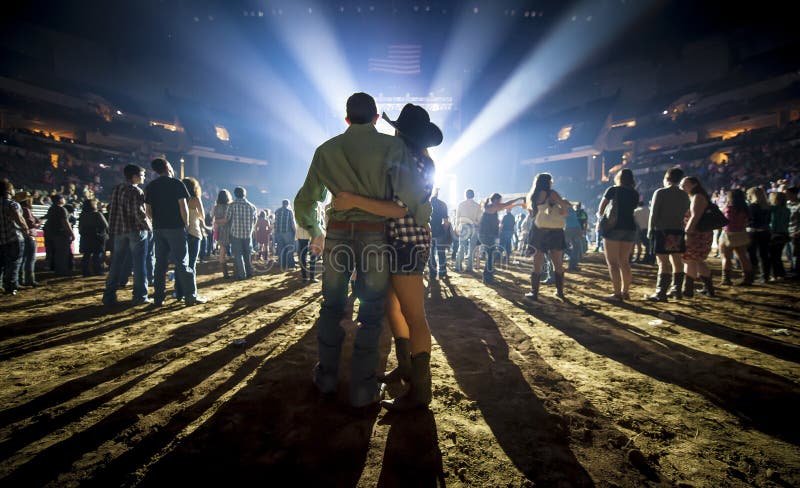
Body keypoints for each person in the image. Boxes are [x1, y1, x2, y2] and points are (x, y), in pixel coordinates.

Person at [294, 93, 433, 409]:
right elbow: (411, 195)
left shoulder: (325, 151)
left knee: (331, 306)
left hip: (338, 237)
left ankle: (327, 378)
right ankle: (362, 389)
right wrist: (424, 219)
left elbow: (305, 201)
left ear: (346, 119)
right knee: (371, 311)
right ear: (374, 119)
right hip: (374, 237)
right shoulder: (391, 147)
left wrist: (315, 231)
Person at [331, 102, 440, 411]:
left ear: (400, 132)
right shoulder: (417, 161)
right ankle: (406, 368)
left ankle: (421, 391)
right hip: (401, 241)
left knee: (414, 315)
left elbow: (397, 208)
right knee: (394, 308)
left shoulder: (408, 162)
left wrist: (355, 200)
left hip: (405, 241)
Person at [145, 157, 207, 306]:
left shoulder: (151, 186)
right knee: (182, 263)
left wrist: (156, 222)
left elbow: (147, 210)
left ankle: (158, 299)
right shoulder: (176, 183)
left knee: (160, 265)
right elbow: (183, 206)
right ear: (167, 167)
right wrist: (185, 224)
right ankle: (191, 296)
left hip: (159, 229)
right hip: (176, 228)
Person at [102, 164, 152, 306]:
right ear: (135, 176)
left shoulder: (117, 189)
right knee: (139, 264)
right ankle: (140, 296)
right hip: (135, 230)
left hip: (119, 231)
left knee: (116, 263)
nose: (144, 178)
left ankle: (109, 296)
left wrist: (112, 229)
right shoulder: (136, 191)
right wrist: (149, 227)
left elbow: (113, 210)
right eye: (142, 175)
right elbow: (139, 213)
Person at [646, 167, 690, 301]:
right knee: (677, 261)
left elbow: (653, 213)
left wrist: (650, 230)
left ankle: (661, 292)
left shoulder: (660, 192)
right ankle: (676, 290)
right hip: (677, 230)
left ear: (667, 178)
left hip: (662, 230)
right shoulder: (684, 194)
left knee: (663, 262)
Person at [524, 173, 570, 300]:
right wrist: (560, 208)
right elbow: (565, 211)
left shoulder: (532, 196)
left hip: (539, 230)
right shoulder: (552, 193)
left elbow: (532, 214)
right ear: (548, 182)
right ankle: (560, 292)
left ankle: (534, 292)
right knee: (557, 263)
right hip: (555, 231)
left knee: (537, 263)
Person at [598, 169, 640, 301]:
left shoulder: (613, 190)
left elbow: (601, 208)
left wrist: (601, 220)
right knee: (625, 262)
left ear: (619, 178)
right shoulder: (635, 193)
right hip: (630, 228)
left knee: (613, 263)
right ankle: (625, 292)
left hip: (613, 228)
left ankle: (617, 294)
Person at [174, 177, 210, 299]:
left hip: (180, 233)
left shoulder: (178, 199)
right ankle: (191, 293)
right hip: (194, 233)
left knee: (180, 265)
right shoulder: (195, 199)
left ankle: (179, 293)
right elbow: (202, 216)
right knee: (191, 265)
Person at [680, 176, 715, 297]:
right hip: (701, 233)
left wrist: (687, 232)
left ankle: (688, 290)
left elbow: (695, 216)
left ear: (694, 184)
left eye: (685, 184)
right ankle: (708, 288)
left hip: (696, 234)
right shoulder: (699, 196)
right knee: (698, 260)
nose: (682, 187)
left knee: (689, 260)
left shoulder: (697, 197)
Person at [478, 193, 525, 284]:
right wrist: (519, 199)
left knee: (491, 255)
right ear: (496, 200)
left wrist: (519, 204)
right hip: (487, 235)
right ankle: (487, 276)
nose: (501, 202)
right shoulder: (492, 207)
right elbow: (507, 204)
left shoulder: (490, 207)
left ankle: (487, 275)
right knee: (491, 255)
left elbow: (507, 205)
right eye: (500, 200)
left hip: (486, 235)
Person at [719, 189, 753, 285]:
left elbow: (723, 219)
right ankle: (748, 278)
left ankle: (726, 279)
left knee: (725, 257)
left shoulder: (728, 208)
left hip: (728, 234)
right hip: (741, 233)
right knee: (743, 257)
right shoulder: (745, 208)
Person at [1, 179, 28, 295]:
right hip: (14, 238)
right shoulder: (12, 204)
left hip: (1, 240)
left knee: (1, 263)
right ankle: (11, 286)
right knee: (14, 262)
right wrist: (26, 229)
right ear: (8, 190)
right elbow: (18, 218)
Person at [226, 186, 257, 280]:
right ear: (244, 194)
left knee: (238, 255)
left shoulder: (231, 205)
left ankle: (241, 274)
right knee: (247, 254)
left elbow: (227, 218)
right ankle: (249, 272)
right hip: (247, 234)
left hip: (236, 234)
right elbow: (254, 220)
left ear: (235, 194)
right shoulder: (252, 206)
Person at [14, 191, 41, 286]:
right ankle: (29, 280)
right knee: (30, 259)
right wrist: (38, 223)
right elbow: (31, 224)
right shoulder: (26, 210)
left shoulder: (19, 208)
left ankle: (20, 279)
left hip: (20, 236)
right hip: (29, 236)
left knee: (22, 259)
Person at [42, 194, 74, 276]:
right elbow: (65, 222)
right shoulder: (62, 209)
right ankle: (62, 271)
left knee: (55, 253)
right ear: (60, 200)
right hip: (60, 234)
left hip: (51, 234)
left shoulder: (51, 208)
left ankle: (57, 270)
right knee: (62, 253)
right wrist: (71, 233)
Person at [746, 186, 771, 283]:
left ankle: (752, 275)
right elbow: (768, 221)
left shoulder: (752, 206)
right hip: (765, 232)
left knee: (752, 255)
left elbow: (750, 220)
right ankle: (765, 276)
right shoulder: (767, 206)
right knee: (764, 255)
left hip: (753, 232)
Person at [78, 199, 108, 276]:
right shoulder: (97, 214)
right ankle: (98, 270)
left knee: (86, 255)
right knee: (97, 255)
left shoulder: (82, 215)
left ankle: (85, 271)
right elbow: (105, 225)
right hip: (97, 237)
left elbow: (80, 226)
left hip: (86, 237)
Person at [454, 189, 482, 273]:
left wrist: (456, 227)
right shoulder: (477, 206)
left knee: (461, 247)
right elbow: (479, 219)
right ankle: (469, 267)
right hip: (474, 227)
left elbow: (457, 218)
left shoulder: (461, 204)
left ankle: (458, 266)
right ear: (473, 195)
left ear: (465, 195)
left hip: (464, 227)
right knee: (472, 248)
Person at [768, 191, 790, 280]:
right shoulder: (787, 209)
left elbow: (773, 222)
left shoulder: (773, 209)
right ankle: (781, 273)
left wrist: (772, 233)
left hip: (775, 233)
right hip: (784, 234)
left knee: (772, 255)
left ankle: (774, 274)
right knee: (777, 255)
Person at [428, 188, 449, 280]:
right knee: (441, 252)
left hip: (428, 231)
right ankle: (442, 272)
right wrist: (444, 230)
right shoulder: (442, 204)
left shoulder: (425, 203)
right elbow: (446, 222)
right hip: (439, 231)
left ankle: (432, 273)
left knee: (430, 253)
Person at [213, 190, 233, 278]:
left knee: (222, 252)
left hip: (221, 231)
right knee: (235, 250)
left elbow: (215, 220)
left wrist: (217, 222)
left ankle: (225, 274)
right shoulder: (230, 206)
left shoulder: (216, 207)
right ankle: (237, 269)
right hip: (231, 230)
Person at [295, 213, 318, 283]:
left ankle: (305, 278)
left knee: (303, 258)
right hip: (309, 237)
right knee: (311, 258)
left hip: (302, 237)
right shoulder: (312, 211)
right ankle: (310, 277)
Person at [274, 199, 296, 270]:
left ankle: (281, 264)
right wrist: (295, 231)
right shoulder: (289, 211)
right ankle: (290, 265)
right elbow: (292, 223)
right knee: (289, 248)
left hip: (278, 232)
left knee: (280, 249)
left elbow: (276, 222)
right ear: (288, 204)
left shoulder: (277, 211)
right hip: (287, 232)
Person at [563, 202, 583, 271]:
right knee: (575, 248)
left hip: (569, 230)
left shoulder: (563, 209)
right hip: (576, 229)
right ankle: (572, 264)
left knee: (564, 247)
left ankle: (571, 262)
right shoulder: (572, 209)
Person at [786, 187, 800, 277]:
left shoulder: (799, 205)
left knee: (796, 253)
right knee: (788, 252)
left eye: (788, 193)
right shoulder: (787, 204)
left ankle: (796, 271)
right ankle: (792, 268)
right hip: (787, 231)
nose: (786, 195)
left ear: (794, 194)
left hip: (796, 231)